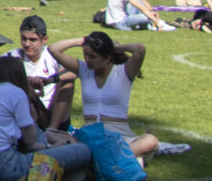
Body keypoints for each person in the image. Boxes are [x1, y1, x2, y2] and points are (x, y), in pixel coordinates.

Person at [0, 55, 93, 181]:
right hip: (6, 162)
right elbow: (31, 143)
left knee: (65, 161)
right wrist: (51, 145)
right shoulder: (16, 93)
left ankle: (64, 173)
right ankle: (61, 173)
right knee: (83, 151)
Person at [49, 31, 159, 161]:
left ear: (107, 58)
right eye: (85, 54)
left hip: (120, 135)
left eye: (93, 56)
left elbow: (140, 49)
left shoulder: (123, 71)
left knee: (150, 140)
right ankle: (122, 159)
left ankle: (102, 160)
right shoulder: (84, 69)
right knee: (50, 136)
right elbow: (53, 49)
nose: (87, 60)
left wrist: (117, 48)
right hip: (90, 135)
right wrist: (82, 40)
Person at [0, 15, 74, 130]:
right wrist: (24, 79)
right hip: (28, 110)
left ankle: (53, 130)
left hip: (52, 112)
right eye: (24, 39)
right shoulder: (15, 55)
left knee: (68, 82)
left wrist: (50, 80)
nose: (27, 44)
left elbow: (75, 70)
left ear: (44, 40)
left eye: (33, 40)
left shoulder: (51, 55)